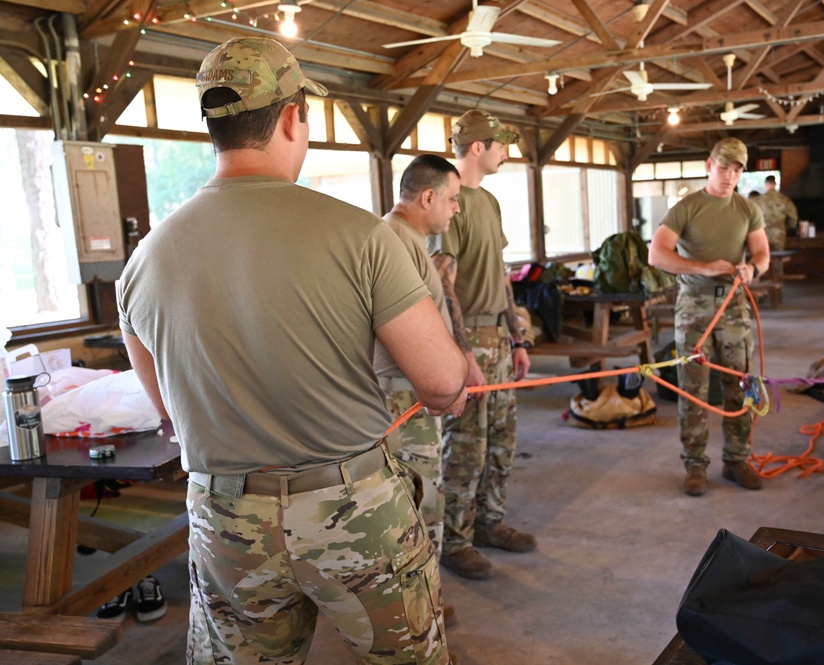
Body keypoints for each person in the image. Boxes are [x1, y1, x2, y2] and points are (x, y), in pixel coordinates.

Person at [116, 37, 467, 664]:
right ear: (291, 116)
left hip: (225, 517)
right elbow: (440, 383)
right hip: (354, 509)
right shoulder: (361, 235)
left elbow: (167, 409)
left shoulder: (145, 261)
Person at [429, 109, 534, 581]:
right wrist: (463, 351)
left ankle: (490, 522)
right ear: (477, 147)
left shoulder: (488, 202)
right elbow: (443, 283)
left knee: (500, 442)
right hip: (470, 340)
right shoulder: (453, 204)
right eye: (501, 143)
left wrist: (518, 335)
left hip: (499, 338)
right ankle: (456, 540)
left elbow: (502, 274)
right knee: (466, 447)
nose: (506, 152)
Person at [648, 137, 770, 497]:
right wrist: (702, 268)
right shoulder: (687, 208)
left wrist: (754, 269)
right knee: (694, 388)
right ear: (708, 165)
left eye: (737, 169)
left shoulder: (748, 210)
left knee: (741, 385)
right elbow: (657, 255)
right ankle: (695, 465)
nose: (730, 175)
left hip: (734, 307)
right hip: (695, 306)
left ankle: (736, 460)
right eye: (724, 166)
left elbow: (762, 252)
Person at [373, 154, 462, 619]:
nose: (456, 210)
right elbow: (403, 336)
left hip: (410, 391)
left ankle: (421, 597)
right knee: (419, 500)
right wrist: (443, 384)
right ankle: (417, 606)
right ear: (427, 197)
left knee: (420, 496)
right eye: (452, 199)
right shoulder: (393, 241)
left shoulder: (405, 240)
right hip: (402, 394)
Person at [755, 174, 798, 252]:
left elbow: (751, 218)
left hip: (762, 235)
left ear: (766, 185)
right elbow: (793, 219)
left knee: (763, 259)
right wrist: (786, 228)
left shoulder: (758, 200)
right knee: (778, 259)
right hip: (779, 235)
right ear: (775, 184)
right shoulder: (784, 199)